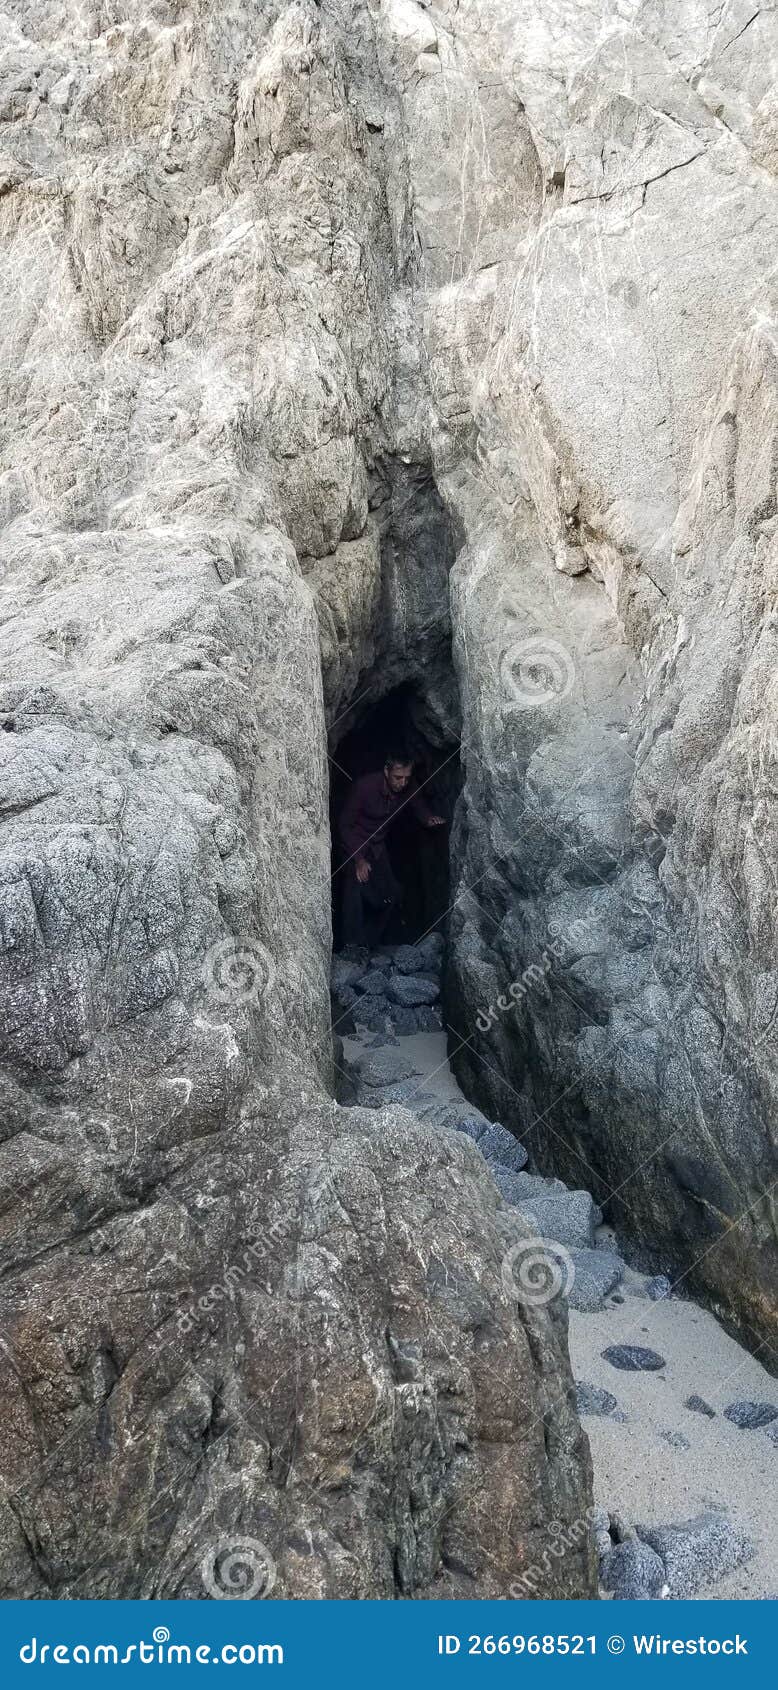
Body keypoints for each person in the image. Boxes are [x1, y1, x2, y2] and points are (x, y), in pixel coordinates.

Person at [338, 751, 446, 952]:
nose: (402, 783)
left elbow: (417, 803)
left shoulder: (407, 786)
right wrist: (359, 859)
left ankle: (370, 944)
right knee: (354, 887)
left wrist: (428, 819)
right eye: (398, 778)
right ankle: (350, 946)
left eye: (406, 778)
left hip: (378, 847)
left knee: (392, 893)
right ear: (386, 771)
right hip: (355, 845)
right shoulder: (364, 787)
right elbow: (345, 826)